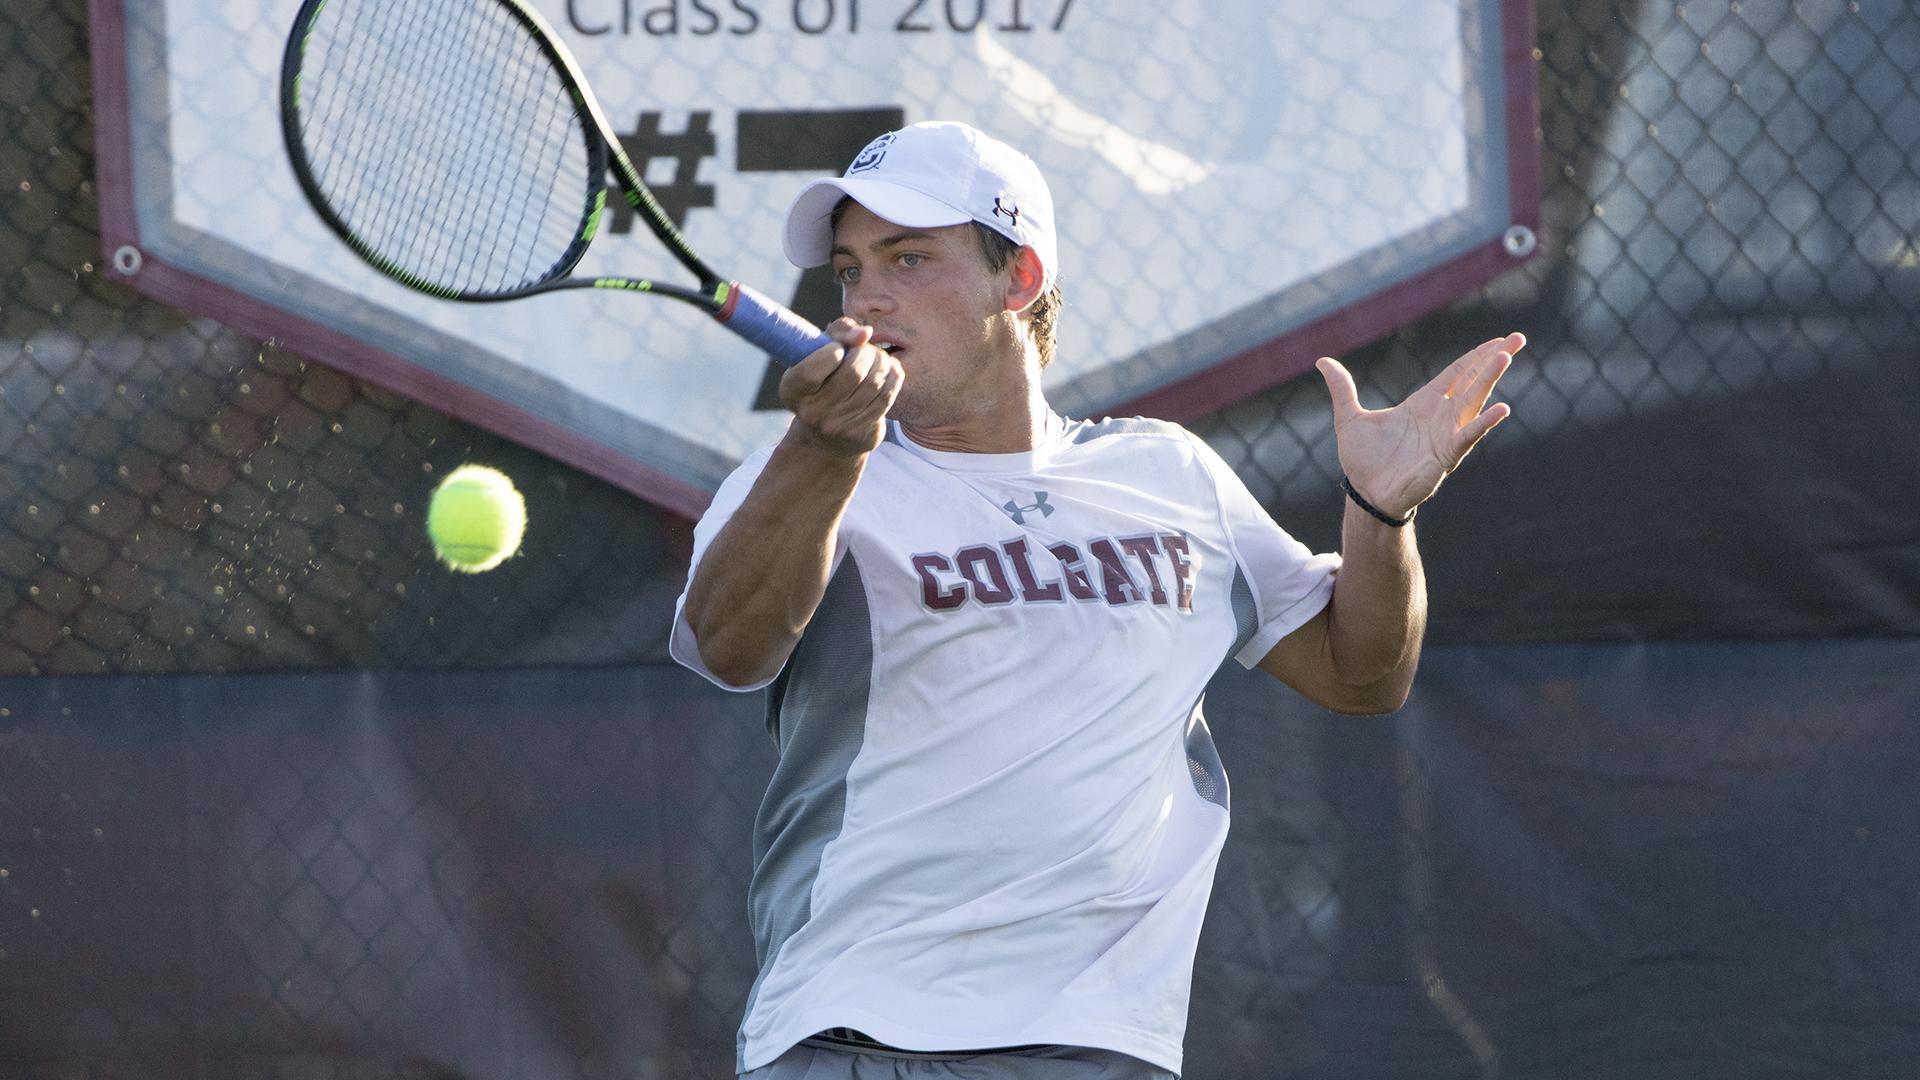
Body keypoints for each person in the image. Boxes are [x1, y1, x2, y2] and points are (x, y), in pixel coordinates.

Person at [671, 121, 1519, 1080]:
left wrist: (1378, 516)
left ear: (1019, 278)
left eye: (910, 259)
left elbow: (1362, 675)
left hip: (1098, 1045)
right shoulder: (802, 475)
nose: (869, 300)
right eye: (852, 272)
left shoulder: (1171, 475)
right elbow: (728, 649)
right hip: (848, 1034)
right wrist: (824, 451)